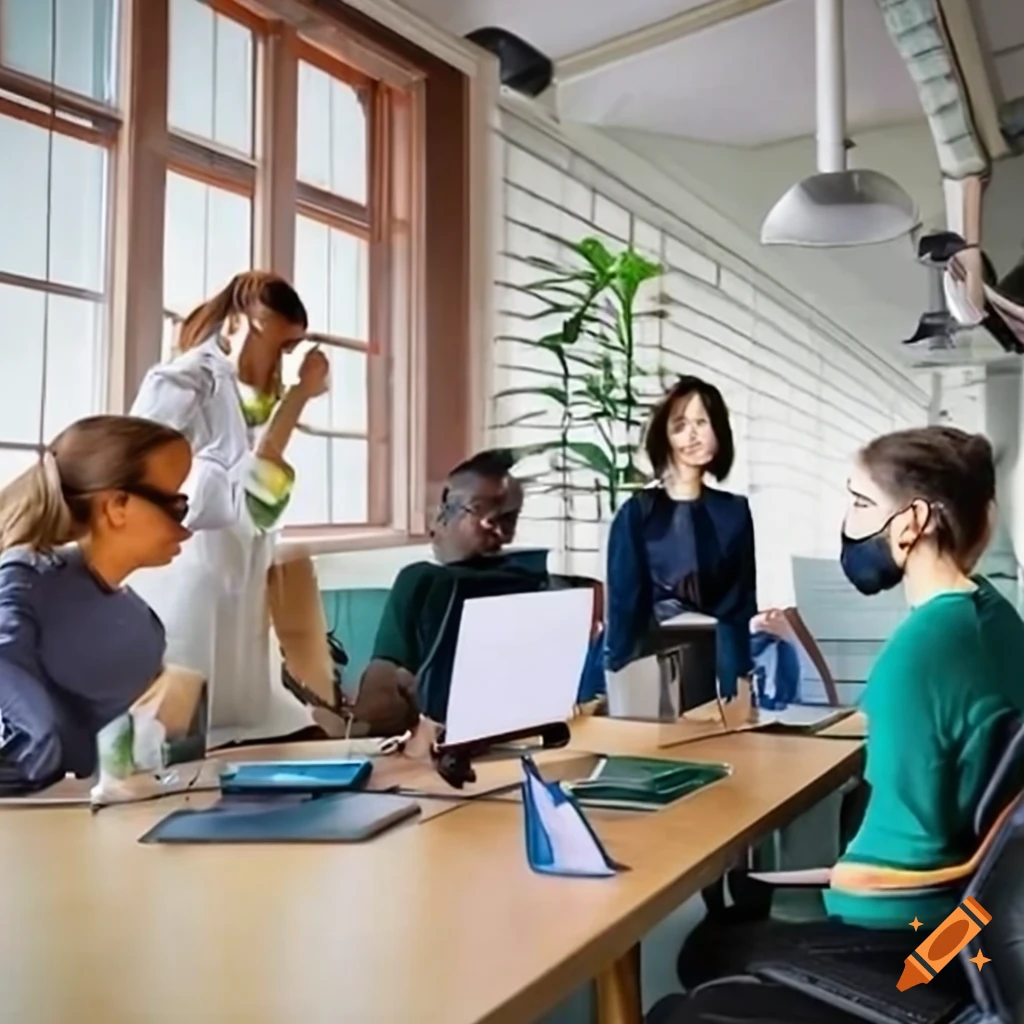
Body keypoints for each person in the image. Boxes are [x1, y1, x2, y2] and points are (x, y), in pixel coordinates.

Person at [663, 425, 1022, 1022]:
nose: (850, 524)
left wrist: (827, 886)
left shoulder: (920, 652)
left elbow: (910, 840)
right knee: (722, 941)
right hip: (970, 922)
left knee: (696, 977)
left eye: (861, 504)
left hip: (923, 937)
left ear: (912, 523)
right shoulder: (993, 616)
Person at [128, 272, 331, 748]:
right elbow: (135, 462)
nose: (276, 358)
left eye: (288, 348)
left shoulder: (244, 397)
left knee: (238, 682)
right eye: (275, 341)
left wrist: (301, 391)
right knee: (187, 683)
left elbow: (262, 462)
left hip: (237, 555)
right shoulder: (182, 380)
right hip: (191, 553)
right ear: (239, 321)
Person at [352, 448, 605, 736]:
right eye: (484, 513)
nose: (500, 531)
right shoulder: (562, 588)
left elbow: (376, 714)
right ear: (445, 514)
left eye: (509, 518)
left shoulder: (422, 580)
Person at [0, 416, 192, 792]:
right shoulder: (26, 578)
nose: (184, 528)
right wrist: (41, 740)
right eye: (175, 505)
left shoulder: (141, 621)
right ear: (116, 505)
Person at [606, 375, 756, 699]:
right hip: (654, 667)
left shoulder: (736, 512)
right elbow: (623, 609)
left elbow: (742, 605)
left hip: (724, 668)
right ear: (665, 434)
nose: (692, 435)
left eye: (702, 422)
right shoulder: (637, 513)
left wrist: (743, 684)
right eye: (680, 424)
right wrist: (617, 683)